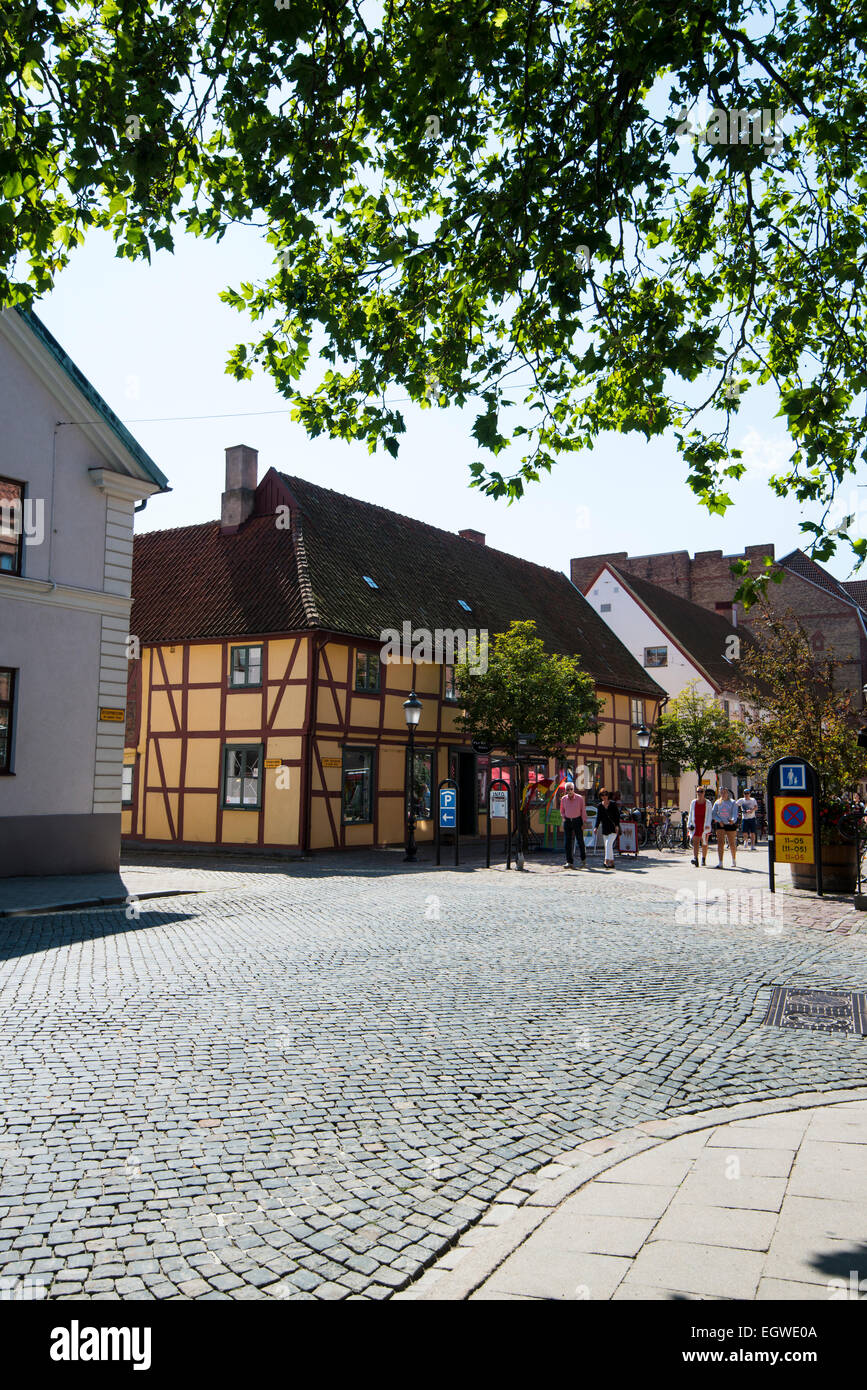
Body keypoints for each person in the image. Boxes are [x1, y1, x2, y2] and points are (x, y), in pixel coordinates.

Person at [559, 781, 587, 869]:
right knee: (567, 842)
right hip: (568, 821)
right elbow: (562, 810)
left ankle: (583, 859)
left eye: (571, 789)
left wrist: (584, 822)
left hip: (577, 820)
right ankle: (569, 862)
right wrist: (564, 818)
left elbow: (583, 811)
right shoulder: (563, 799)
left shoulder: (579, 798)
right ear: (566, 790)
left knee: (580, 840)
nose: (570, 791)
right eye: (568, 789)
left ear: (573, 789)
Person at [711, 786, 739, 868]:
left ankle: (733, 859)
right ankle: (720, 862)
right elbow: (713, 814)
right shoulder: (717, 802)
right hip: (720, 824)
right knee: (720, 843)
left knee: (731, 843)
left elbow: (735, 814)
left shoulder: (733, 802)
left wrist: (732, 820)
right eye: (721, 792)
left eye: (724, 792)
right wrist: (719, 821)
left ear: (727, 793)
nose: (723, 794)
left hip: (730, 824)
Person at [686, 787, 713, 866]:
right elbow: (690, 813)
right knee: (695, 841)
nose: (699, 793)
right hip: (695, 823)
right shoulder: (693, 802)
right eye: (698, 791)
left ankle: (703, 859)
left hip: (704, 824)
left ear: (704, 793)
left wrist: (708, 824)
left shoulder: (708, 803)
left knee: (704, 842)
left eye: (701, 791)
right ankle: (695, 858)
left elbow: (709, 815)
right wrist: (689, 824)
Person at [596, 788, 620, 869]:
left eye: (606, 794)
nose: (604, 796)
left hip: (613, 828)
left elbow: (617, 816)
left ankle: (606, 860)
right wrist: (596, 827)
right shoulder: (599, 806)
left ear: (608, 795)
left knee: (608, 844)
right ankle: (612, 862)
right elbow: (598, 818)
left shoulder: (613, 804)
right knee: (607, 846)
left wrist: (617, 825)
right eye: (602, 795)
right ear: (600, 796)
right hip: (605, 828)